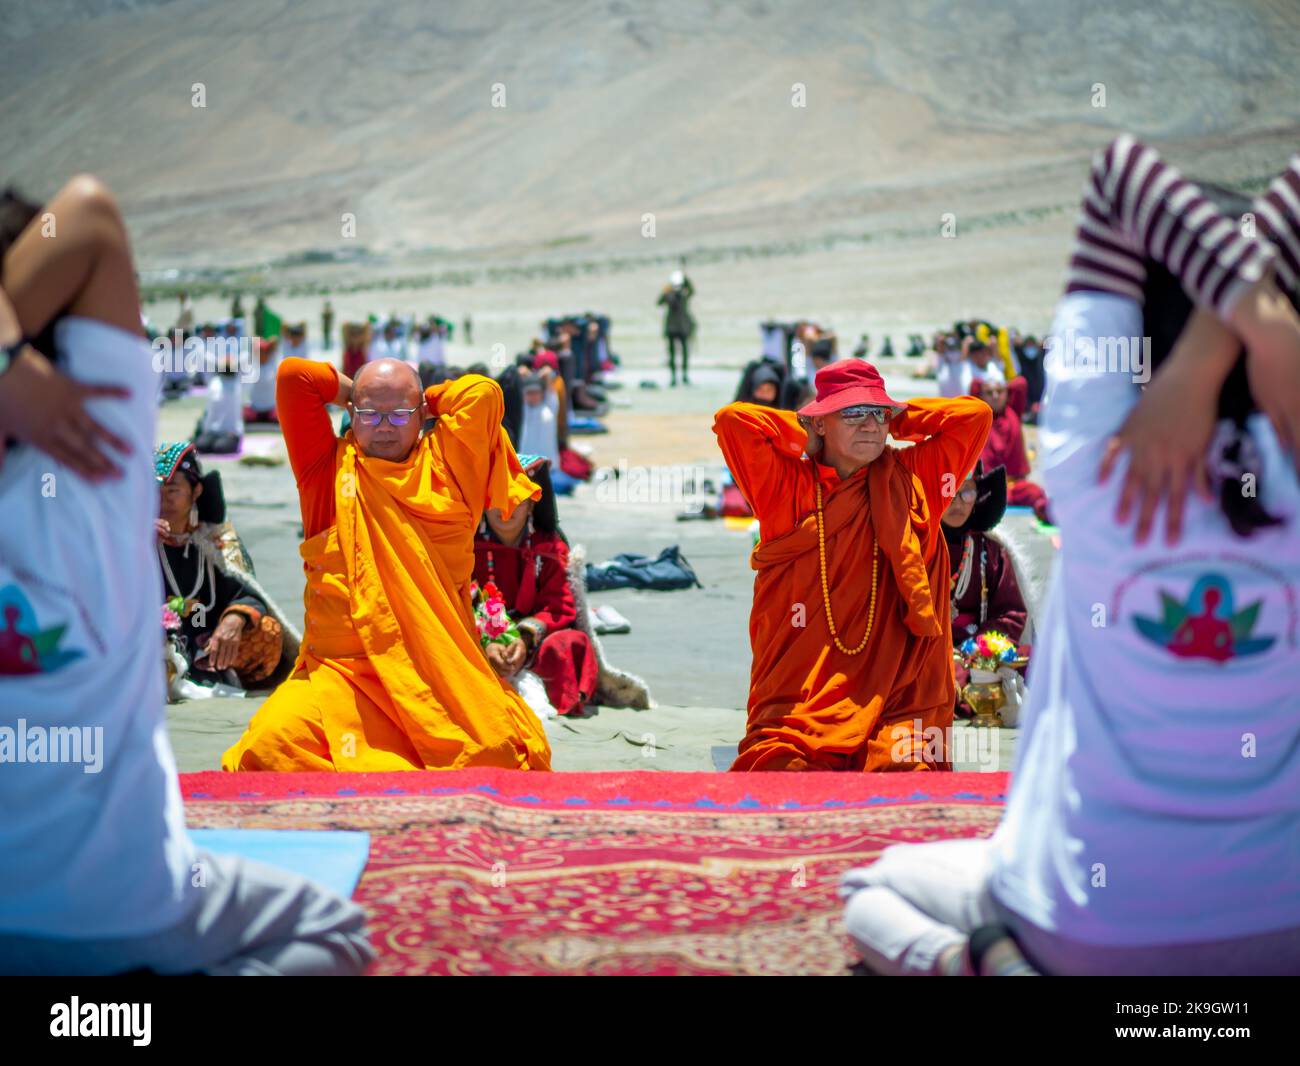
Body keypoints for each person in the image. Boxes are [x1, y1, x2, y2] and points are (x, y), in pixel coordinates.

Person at [840, 134, 1300, 976]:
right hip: (1282, 925)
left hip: (1091, 930)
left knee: (876, 888)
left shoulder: (1095, 465)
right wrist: (1271, 332)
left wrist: (1215, 340)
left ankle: (982, 963)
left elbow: (1119, 174)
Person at [0, 175, 371, 975]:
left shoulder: (191, 520)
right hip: (119, 904)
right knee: (336, 936)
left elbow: (238, 591)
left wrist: (233, 624)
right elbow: (93, 210)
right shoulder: (96, 444)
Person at [222, 355, 552, 771]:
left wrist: (421, 401)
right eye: (370, 414)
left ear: (422, 416)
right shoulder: (325, 472)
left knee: (491, 755)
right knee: (269, 749)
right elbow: (293, 377)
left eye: (398, 415)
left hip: (437, 677)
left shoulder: (448, 470)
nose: (383, 426)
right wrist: (356, 396)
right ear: (351, 415)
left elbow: (482, 394)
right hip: (340, 676)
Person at [713, 360, 991, 771]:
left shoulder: (915, 478)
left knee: (908, 775)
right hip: (801, 705)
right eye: (853, 413)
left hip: (894, 704)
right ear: (821, 423)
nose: (870, 426)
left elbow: (976, 416)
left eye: (877, 413)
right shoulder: (786, 484)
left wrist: (901, 421)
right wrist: (805, 434)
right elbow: (732, 420)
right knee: (781, 773)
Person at [155, 441, 291, 692]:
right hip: (152, 639)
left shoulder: (215, 539)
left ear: (196, 491)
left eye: (172, 489)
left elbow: (247, 592)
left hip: (206, 643)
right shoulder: (133, 535)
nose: (162, 498)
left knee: (266, 632)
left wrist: (234, 619)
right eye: (155, 490)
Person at [473, 454, 596, 717]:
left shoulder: (549, 549)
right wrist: (488, 641)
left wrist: (525, 638)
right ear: (482, 504)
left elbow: (559, 606)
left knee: (571, 643)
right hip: (478, 639)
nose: (506, 509)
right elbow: (456, 597)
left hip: (534, 644)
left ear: (531, 505)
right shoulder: (466, 549)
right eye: (496, 498)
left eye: (516, 499)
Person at [940, 463, 1031, 717]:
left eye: (966, 492)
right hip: (929, 650)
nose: (957, 503)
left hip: (978, 648)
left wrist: (976, 648)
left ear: (978, 494)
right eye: (948, 492)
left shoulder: (989, 551)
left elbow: (1010, 612)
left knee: (1033, 660)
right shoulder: (916, 546)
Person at [976, 366, 1050, 521]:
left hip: (1015, 486)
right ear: (981, 396)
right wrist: (987, 384)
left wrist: (1001, 383)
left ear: (1007, 393)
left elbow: (1021, 383)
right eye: (989, 393)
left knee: (1038, 493)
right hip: (989, 487)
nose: (995, 396)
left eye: (1000, 391)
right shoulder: (979, 417)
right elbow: (974, 385)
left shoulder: (1013, 411)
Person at [658, 269, 695, 387]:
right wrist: (666, 291)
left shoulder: (683, 294)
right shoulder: (669, 294)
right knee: (673, 354)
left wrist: (685, 278)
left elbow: (692, 290)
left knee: (684, 353)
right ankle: (674, 378)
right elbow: (659, 302)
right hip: (673, 328)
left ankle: (684, 376)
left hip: (682, 326)